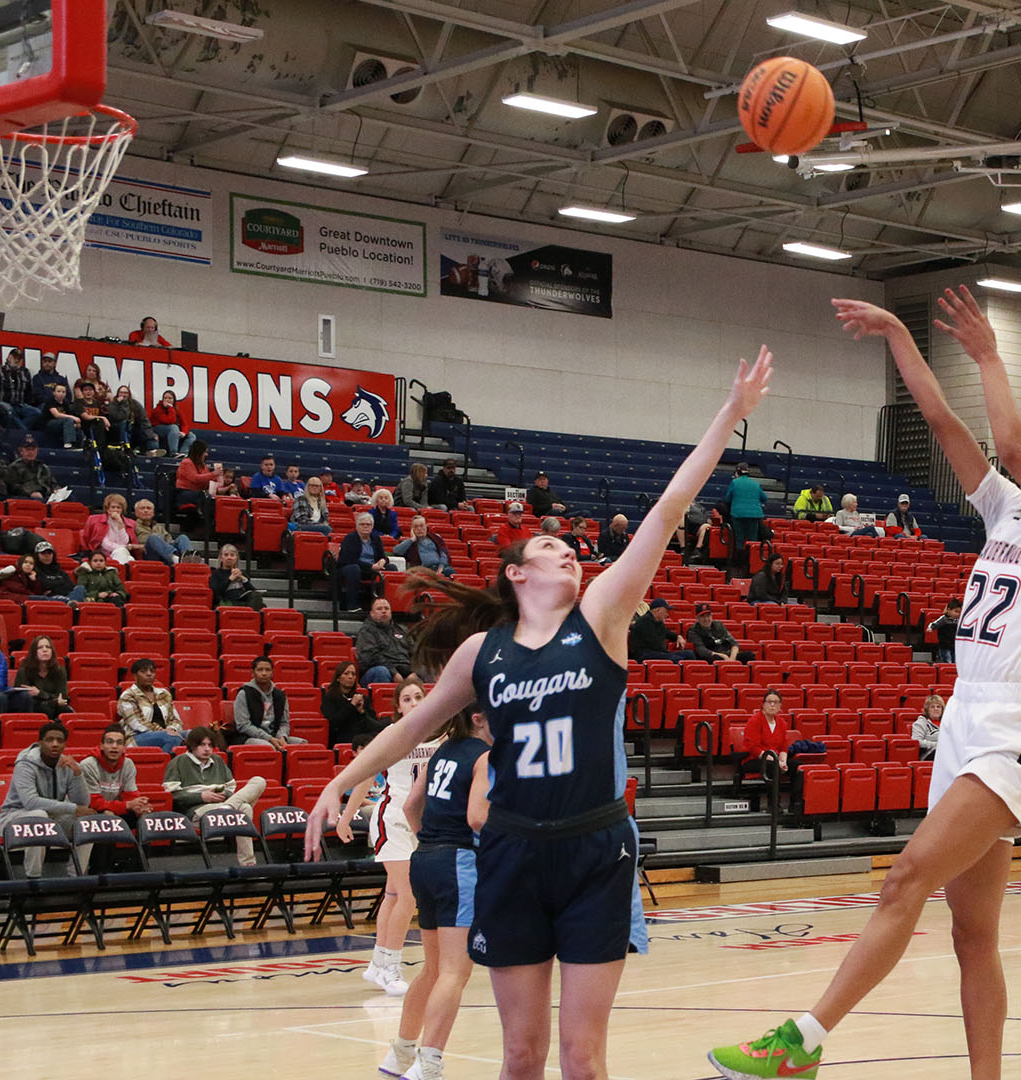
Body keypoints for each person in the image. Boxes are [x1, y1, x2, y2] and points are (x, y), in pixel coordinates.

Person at [706, 290, 1021, 1079]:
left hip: (1012, 723)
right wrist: (896, 335)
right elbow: (945, 426)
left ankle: (801, 1045)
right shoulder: (1007, 517)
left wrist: (992, 357)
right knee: (973, 937)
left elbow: (1014, 450)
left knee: (905, 878)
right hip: (962, 714)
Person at [308, 345, 774, 1080]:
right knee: (520, 1056)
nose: (574, 555)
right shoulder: (482, 655)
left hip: (595, 848)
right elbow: (406, 728)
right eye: (556, 550)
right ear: (518, 574)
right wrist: (343, 779)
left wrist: (730, 416)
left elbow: (669, 508)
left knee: (582, 1060)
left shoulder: (603, 617)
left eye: (574, 550)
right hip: (514, 852)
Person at [387, 708, 493, 1080]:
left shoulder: (442, 751)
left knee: (432, 970)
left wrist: (430, 840)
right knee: (454, 972)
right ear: (479, 718)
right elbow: (478, 817)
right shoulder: (485, 756)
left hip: (425, 857)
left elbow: (410, 805)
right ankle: (429, 1063)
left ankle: (399, 1054)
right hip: (457, 861)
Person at [339, 677, 437, 999]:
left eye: (418, 697)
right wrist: (345, 816)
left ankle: (378, 963)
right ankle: (392, 968)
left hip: (421, 822)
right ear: (397, 707)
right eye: (406, 699)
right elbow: (365, 775)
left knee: (394, 895)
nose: (413, 703)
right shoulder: (393, 735)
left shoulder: (440, 733)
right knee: (409, 893)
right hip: (391, 819)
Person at [0, 720, 94, 877]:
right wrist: (72, 808)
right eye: (49, 740)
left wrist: (77, 773)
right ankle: (33, 878)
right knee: (39, 816)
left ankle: (77, 877)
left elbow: (83, 804)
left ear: (65, 744)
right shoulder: (25, 765)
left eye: (59, 741)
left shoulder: (67, 764)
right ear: (40, 742)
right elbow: (30, 802)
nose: (54, 744)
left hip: (51, 818)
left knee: (86, 823)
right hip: (14, 818)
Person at [162, 727, 265, 866]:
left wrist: (224, 796)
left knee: (259, 781)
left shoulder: (218, 761)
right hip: (197, 812)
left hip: (222, 805)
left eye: (210, 745)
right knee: (245, 808)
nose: (207, 749)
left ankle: (248, 864)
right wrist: (202, 797)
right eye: (202, 745)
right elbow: (172, 795)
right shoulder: (178, 762)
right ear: (192, 745)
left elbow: (231, 789)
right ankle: (248, 861)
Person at [82, 724, 154, 825]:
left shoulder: (128, 764)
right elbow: (94, 802)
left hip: (115, 807)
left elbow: (131, 795)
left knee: (144, 815)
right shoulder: (88, 765)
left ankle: (142, 841)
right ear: (101, 746)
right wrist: (127, 805)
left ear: (124, 748)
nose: (114, 746)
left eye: (119, 743)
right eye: (110, 742)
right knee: (108, 816)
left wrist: (139, 805)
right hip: (90, 810)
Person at [735, 687, 799, 792]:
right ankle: (773, 804)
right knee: (773, 767)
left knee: (797, 767)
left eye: (776, 702)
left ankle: (795, 803)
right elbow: (753, 748)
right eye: (769, 702)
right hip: (754, 759)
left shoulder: (782, 723)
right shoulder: (755, 721)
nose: (772, 705)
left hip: (775, 759)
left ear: (780, 706)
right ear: (763, 705)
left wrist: (783, 761)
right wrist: (776, 761)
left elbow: (784, 746)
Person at [233, 656, 303, 748]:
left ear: (272, 673)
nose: (264, 673)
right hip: (249, 737)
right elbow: (243, 725)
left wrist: (282, 737)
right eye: (260, 670)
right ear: (252, 673)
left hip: (274, 736)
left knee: (302, 744)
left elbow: (284, 723)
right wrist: (269, 738)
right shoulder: (244, 693)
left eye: (267, 670)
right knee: (268, 747)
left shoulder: (280, 695)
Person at [118, 658, 185, 752]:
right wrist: (163, 731)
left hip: (167, 732)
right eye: (143, 671)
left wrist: (172, 729)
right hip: (137, 736)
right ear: (134, 676)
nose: (149, 674)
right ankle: (166, 765)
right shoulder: (128, 696)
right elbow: (137, 724)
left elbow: (175, 719)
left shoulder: (164, 693)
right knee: (171, 738)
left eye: (152, 671)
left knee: (195, 736)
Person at [336, 511, 389, 613]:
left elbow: (382, 556)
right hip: (352, 568)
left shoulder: (376, 539)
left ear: (372, 526)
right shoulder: (350, 538)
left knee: (391, 568)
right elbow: (348, 559)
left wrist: (383, 561)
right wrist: (370, 567)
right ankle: (353, 606)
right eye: (362, 524)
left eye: (368, 524)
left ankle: (387, 607)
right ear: (357, 526)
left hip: (372, 569)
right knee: (353, 569)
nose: (365, 526)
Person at [323, 661, 384, 748]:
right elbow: (333, 723)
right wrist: (351, 706)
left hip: (363, 735)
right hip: (342, 736)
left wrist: (362, 712)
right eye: (346, 673)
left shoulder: (362, 698)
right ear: (338, 678)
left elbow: (373, 725)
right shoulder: (330, 697)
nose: (350, 677)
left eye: (353, 674)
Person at [13, 634, 72, 720]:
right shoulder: (25, 670)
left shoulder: (59, 670)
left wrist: (39, 693)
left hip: (53, 706)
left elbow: (62, 697)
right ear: (34, 652)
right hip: (33, 707)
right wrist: (53, 700)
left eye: (48, 647)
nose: (45, 650)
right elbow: (22, 697)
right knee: (42, 708)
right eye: (40, 647)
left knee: (65, 711)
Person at [357, 598, 414, 685]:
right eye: (379, 609)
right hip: (380, 671)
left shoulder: (403, 630)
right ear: (372, 613)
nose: (384, 611)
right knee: (381, 671)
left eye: (386, 608)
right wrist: (394, 672)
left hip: (406, 671)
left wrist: (415, 673)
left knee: (429, 671)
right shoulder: (366, 631)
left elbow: (416, 653)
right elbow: (370, 657)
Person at [0, 348, 41, 431]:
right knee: (9, 411)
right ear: (9, 357)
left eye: (19, 358)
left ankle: (17, 433)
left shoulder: (25, 372)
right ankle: (24, 434)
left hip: (20, 405)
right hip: (3, 404)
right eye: (15, 357)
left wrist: (27, 404)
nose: (17, 360)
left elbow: (29, 392)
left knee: (37, 413)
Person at [629, 597, 694, 662]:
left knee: (689, 654)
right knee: (676, 659)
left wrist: (678, 636)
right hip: (644, 654)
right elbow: (654, 644)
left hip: (657, 652)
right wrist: (666, 653)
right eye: (666, 611)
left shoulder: (658, 622)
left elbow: (667, 633)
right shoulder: (644, 621)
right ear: (658, 610)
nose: (667, 615)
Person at [724, 462, 766, 560]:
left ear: (737, 473)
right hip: (754, 515)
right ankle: (752, 560)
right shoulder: (755, 484)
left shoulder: (735, 482)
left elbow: (728, 498)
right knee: (753, 539)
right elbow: (764, 498)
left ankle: (739, 561)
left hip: (738, 514)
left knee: (740, 539)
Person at [133, 498, 195, 564]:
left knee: (183, 537)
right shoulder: (132, 525)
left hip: (164, 553)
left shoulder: (158, 527)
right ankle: (175, 559)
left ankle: (190, 560)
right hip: (148, 555)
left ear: (153, 513)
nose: (146, 510)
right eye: (142, 508)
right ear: (136, 512)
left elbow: (169, 540)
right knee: (153, 537)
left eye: (149, 508)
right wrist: (142, 546)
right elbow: (128, 544)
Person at [82, 493, 138, 565]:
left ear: (122, 509)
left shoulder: (130, 523)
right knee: (128, 558)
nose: (115, 510)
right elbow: (105, 544)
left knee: (128, 558)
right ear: (107, 509)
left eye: (118, 507)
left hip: (121, 552)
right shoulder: (96, 520)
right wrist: (126, 547)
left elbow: (123, 542)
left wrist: (120, 523)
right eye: (113, 507)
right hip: (102, 552)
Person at [686, 603, 753, 663]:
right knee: (716, 659)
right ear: (697, 618)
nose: (706, 619)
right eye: (703, 616)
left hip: (727, 654)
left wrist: (732, 659)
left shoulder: (719, 625)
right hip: (712, 656)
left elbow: (734, 644)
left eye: (708, 616)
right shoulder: (693, 630)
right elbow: (702, 650)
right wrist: (723, 656)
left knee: (748, 655)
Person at [173, 441, 215, 534]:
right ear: (199, 452)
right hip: (184, 494)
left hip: (198, 493)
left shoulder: (202, 465)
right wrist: (213, 474)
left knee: (211, 498)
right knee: (204, 497)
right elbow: (195, 479)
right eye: (205, 452)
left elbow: (206, 481)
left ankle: (209, 526)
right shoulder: (186, 462)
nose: (206, 455)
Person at [210, 543, 264, 609]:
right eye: (226, 555)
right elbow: (216, 592)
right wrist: (230, 579)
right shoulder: (216, 573)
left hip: (242, 602)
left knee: (258, 599)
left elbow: (252, 592)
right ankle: (248, 615)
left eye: (232, 555)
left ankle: (248, 614)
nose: (229, 557)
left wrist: (243, 579)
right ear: (221, 558)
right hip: (227, 602)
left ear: (236, 558)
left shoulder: (242, 574)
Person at [108, 385, 158, 455]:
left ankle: (153, 452)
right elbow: (120, 417)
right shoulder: (113, 404)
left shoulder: (136, 404)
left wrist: (151, 435)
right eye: (121, 392)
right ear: (118, 394)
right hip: (117, 431)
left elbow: (144, 421)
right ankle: (126, 448)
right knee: (125, 423)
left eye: (125, 393)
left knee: (149, 436)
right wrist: (123, 403)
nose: (123, 395)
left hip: (134, 431)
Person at [6, 437, 56, 501]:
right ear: (21, 451)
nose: (31, 452)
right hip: (26, 499)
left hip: (47, 497)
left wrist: (56, 489)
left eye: (33, 449)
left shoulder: (43, 467)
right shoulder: (14, 467)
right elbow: (13, 486)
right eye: (28, 449)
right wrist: (30, 493)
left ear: (37, 450)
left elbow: (53, 483)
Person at [148, 390, 192, 456]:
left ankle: (183, 453)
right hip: (157, 430)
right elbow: (169, 421)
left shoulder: (176, 409)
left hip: (171, 431)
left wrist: (184, 432)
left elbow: (184, 424)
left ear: (174, 400)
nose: (167, 400)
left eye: (170, 398)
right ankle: (173, 452)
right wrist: (171, 408)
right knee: (174, 427)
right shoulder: (157, 409)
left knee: (191, 435)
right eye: (165, 398)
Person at [39, 382, 80, 448]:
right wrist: (73, 417)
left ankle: (80, 444)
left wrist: (75, 424)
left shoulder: (66, 402)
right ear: (54, 392)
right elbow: (57, 415)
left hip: (62, 424)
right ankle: (68, 443)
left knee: (77, 425)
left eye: (63, 392)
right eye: (59, 391)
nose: (61, 394)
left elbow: (69, 415)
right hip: (49, 423)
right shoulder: (50, 401)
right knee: (68, 420)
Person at [923, 597, 961, 664]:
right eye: (956, 611)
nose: (957, 614)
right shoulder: (944, 619)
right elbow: (934, 623)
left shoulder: (959, 620)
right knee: (947, 661)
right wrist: (931, 628)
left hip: (954, 645)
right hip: (945, 645)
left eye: (959, 612)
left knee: (955, 662)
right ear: (949, 610)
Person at [911, 694, 943, 759]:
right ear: (927, 709)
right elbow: (917, 741)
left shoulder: (946, 723)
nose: (936, 709)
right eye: (932, 707)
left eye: (938, 707)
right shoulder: (921, 722)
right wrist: (937, 745)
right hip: (929, 754)